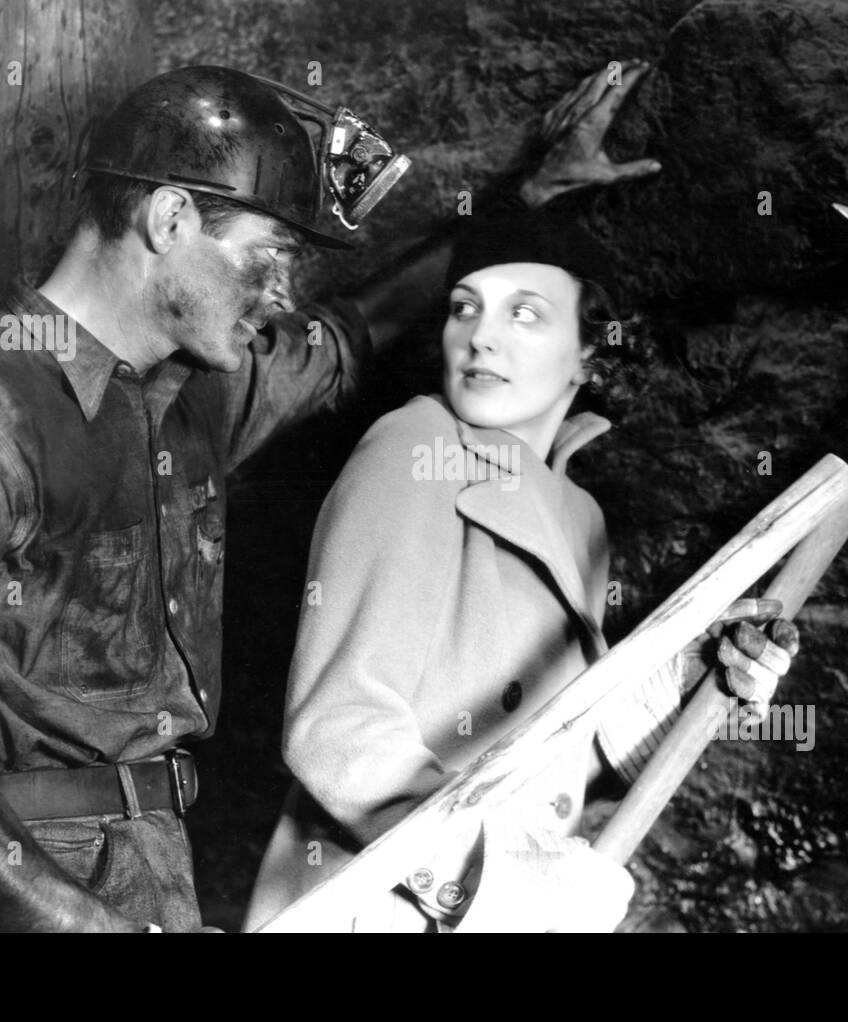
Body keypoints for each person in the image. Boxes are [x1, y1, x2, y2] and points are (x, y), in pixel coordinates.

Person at [0, 62, 662, 933]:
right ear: (170, 217)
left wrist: (520, 201)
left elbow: (350, 338)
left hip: (154, 869)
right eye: (266, 260)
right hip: (14, 894)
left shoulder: (194, 396)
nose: (281, 295)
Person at [246, 210, 800, 932]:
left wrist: (694, 676)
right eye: (465, 307)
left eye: (526, 314)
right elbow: (339, 732)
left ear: (589, 355)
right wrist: (493, 881)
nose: (480, 334)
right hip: (384, 908)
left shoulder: (580, 516)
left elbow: (567, 761)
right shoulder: (415, 445)